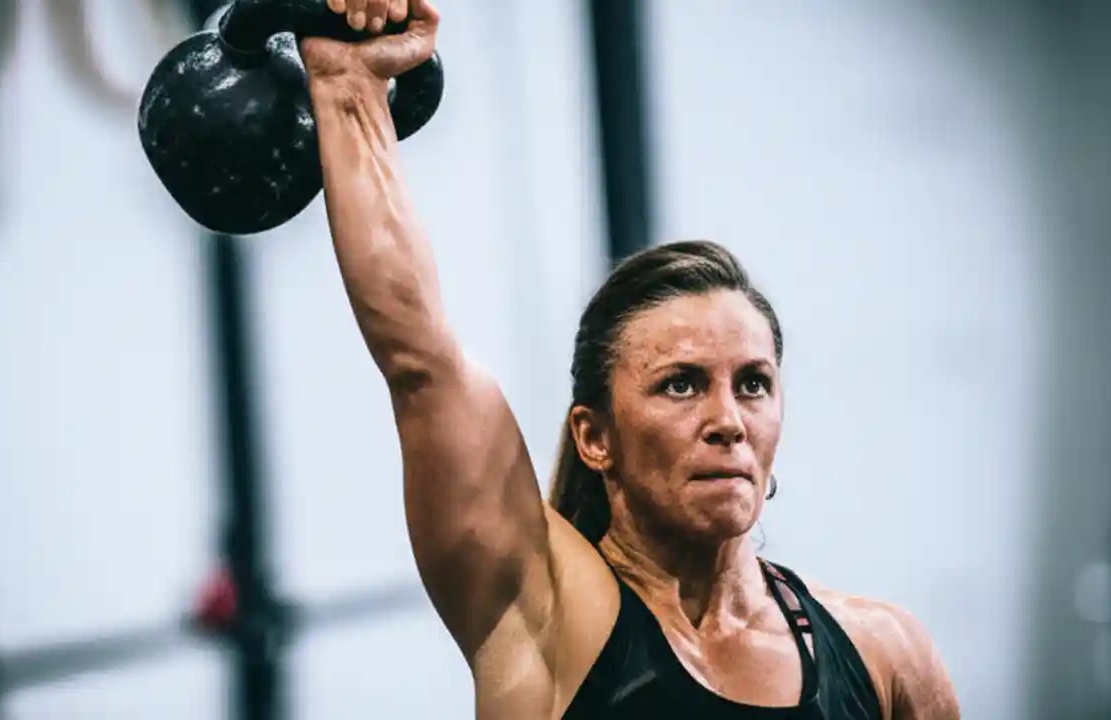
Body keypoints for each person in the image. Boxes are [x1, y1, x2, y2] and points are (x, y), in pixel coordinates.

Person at [301, 1, 960, 717]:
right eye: (681, 386)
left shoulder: (885, 653)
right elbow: (418, 355)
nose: (728, 421)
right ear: (595, 436)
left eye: (753, 385)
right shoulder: (545, 618)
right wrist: (349, 86)